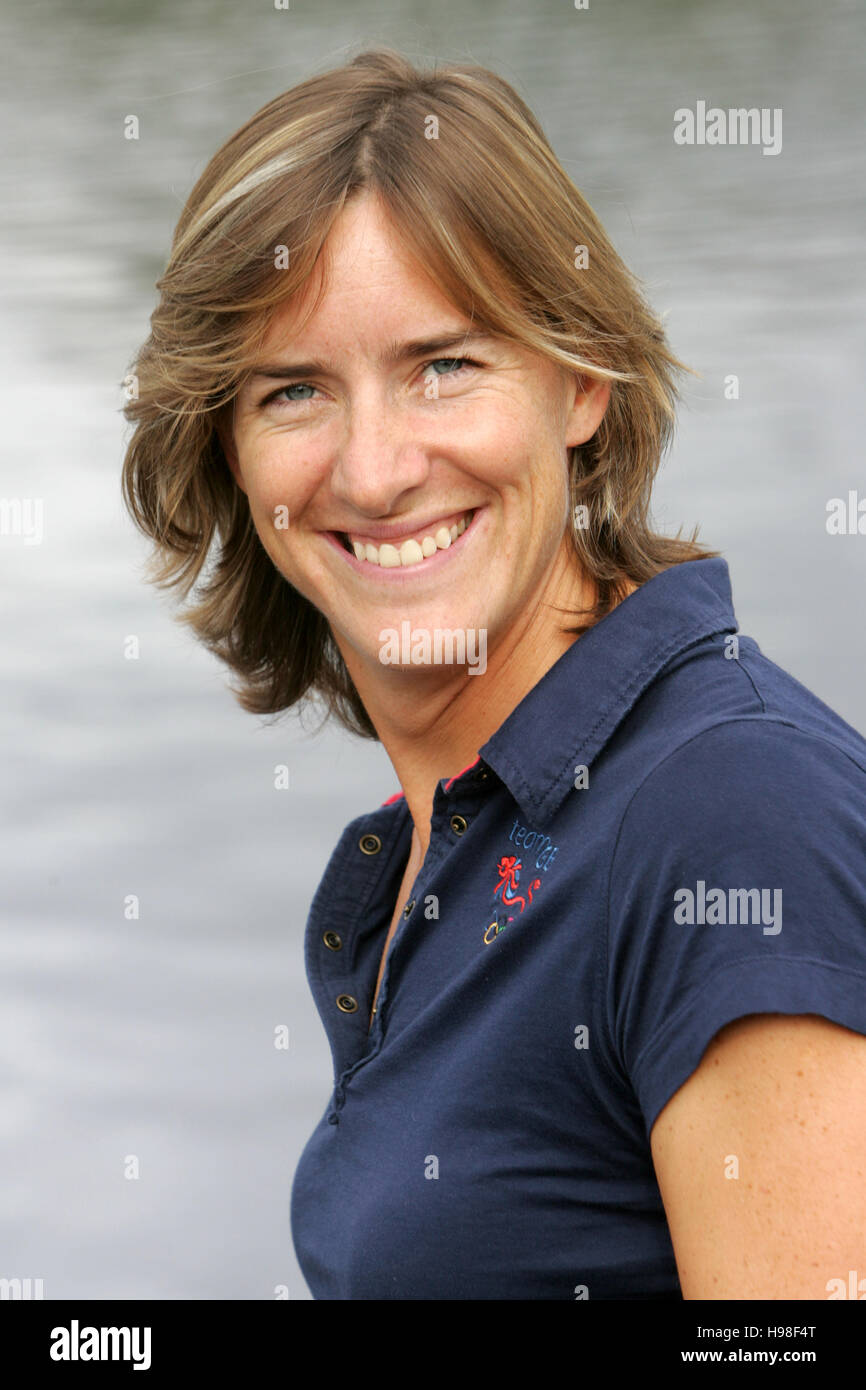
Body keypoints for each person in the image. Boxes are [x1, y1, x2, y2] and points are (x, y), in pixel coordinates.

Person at [121, 48, 866, 1300]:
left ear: (578, 378)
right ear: (228, 454)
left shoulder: (732, 821)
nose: (371, 471)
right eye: (292, 390)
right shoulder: (435, 842)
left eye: (442, 365)